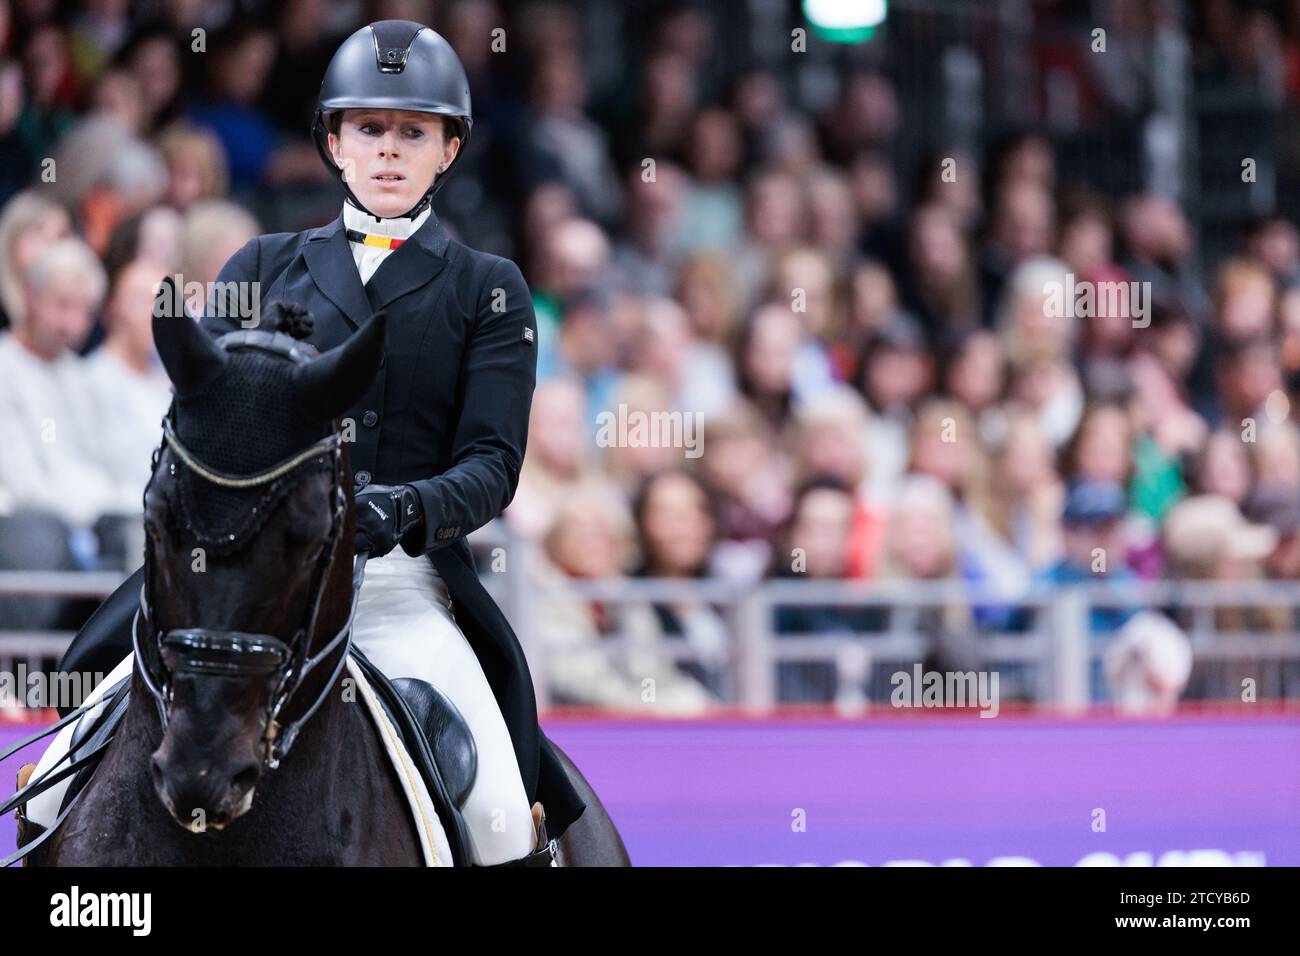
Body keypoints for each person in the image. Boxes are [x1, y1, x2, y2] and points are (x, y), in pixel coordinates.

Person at [36, 20, 580, 867]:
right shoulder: (259, 264)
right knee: (57, 774)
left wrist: (400, 510)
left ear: (449, 149)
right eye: (369, 129)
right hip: (235, 579)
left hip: (397, 584)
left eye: (412, 133)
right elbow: (198, 426)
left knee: (502, 813)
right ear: (333, 140)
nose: (389, 152)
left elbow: (492, 467)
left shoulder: (489, 289)